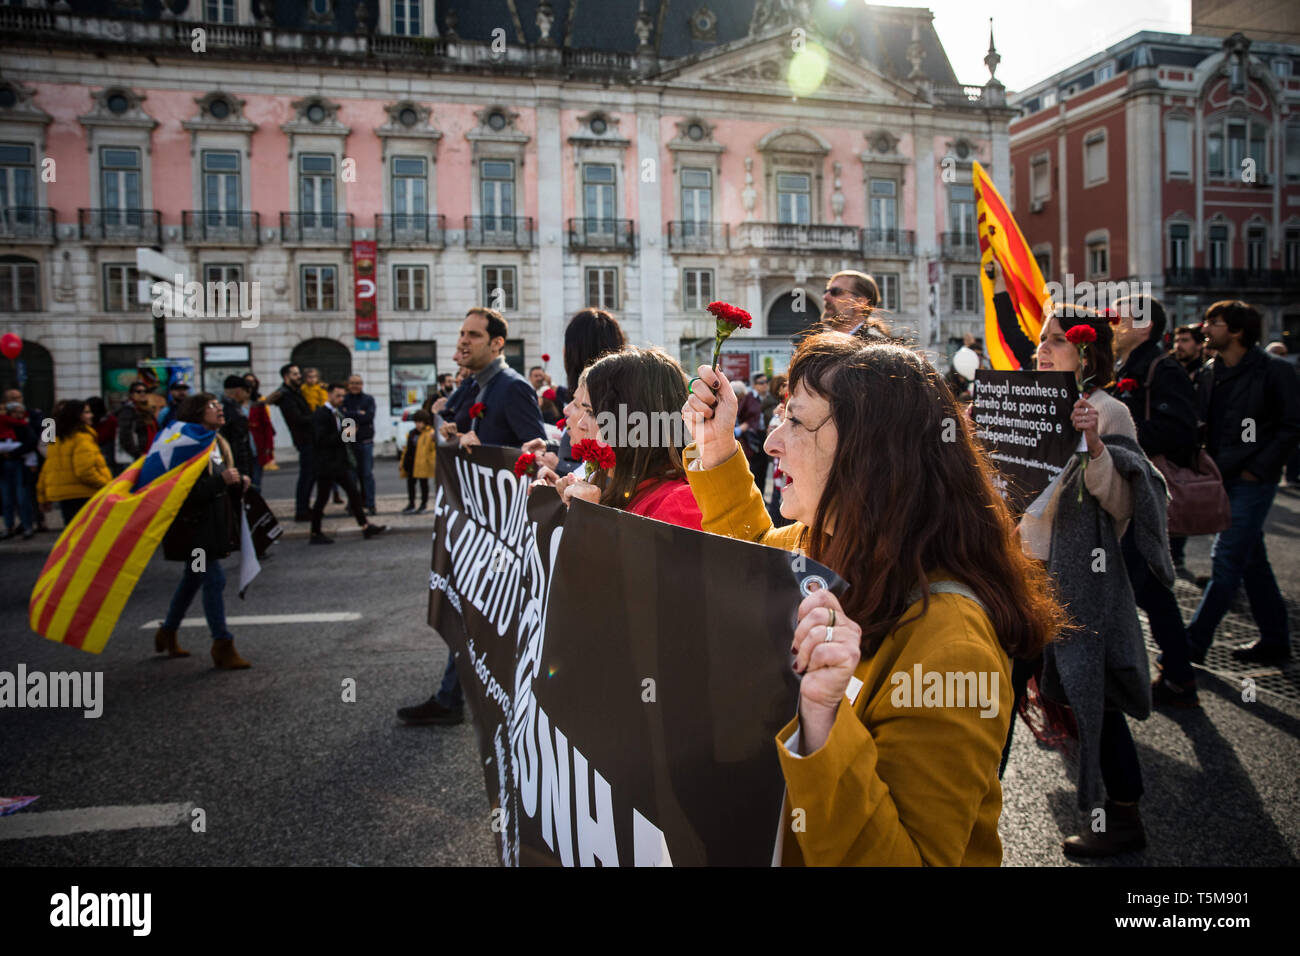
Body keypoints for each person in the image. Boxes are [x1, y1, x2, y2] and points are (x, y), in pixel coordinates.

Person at [680, 332, 1061, 865]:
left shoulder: (954, 650)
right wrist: (718, 450)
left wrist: (824, 721)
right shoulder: (825, 541)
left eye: (797, 420)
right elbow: (755, 568)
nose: (770, 442)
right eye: (781, 416)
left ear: (870, 452)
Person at [1018, 303, 1171, 857]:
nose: (1043, 348)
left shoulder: (1108, 410)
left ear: (1087, 352)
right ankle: (969, 799)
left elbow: (1129, 499)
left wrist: (1097, 448)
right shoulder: (1031, 405)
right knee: (1007, 680)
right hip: (1023, 571)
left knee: (1093, 695)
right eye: (1041, 339)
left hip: (1079, 577)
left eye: (1056, 340)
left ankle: (1124, 816)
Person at [399, 307, 545, 727]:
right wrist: (451, 427)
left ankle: (493, 701)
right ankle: (455, 697)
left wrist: (484, 451)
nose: (463, 341)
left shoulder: (512, 388)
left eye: (474, 335)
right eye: (461, 333)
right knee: (473, 610)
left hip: (501, 525)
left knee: (484, 612)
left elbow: (534, 453)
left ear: (498, 343)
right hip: (475, 520)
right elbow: (444, 416)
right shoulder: (472, 385)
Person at [1188, 301, 1300, 665]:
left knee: (1227, 559)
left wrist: (1260, 468)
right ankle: (1276, 640)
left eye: (1214, 323)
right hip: (1221, 476)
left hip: (1252, 480)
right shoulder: (1208, 372)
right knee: (1253, 560)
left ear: (1236, 331)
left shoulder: (1274, 371)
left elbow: (1290, 425)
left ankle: (1193, 644)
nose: (1205, 328)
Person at [1110, 294, 1202, 707]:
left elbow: (1181, 431)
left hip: (1145, 494)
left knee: (1119, 586)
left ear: (1145, 325)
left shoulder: (1161, 369)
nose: (1113, 322)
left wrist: (1118, 436)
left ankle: (1111, 683)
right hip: (1127, 491)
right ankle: (1179, 676)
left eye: (1121, 317)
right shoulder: (1127, 367)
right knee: (1151, 591)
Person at [534, 347, 703, 530]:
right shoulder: (623, 488)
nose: (581, 423)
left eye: (591, 412)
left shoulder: (678, 505)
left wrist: (589, 516)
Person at [155, 392, 250, 668]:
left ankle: (168, 631)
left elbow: (220, 478)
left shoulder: (216, 442)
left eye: (219, 404)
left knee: (193, 579)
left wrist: (237, 481)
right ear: (197, 413)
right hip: (193, 530)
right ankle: (222, 644)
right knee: (213, 580)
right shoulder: (187, 445)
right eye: (212, 406)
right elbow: (181, 492)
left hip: (210, 525)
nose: (219, 408)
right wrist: (221, 481)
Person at [308, 383, 387, 545]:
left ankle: (365, 526)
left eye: (342, 396)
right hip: (326, 464)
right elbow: (321, 440)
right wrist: (344, 433)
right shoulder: (321, 414)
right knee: (322, 499)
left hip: (341, 463)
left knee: (354, 494)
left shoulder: (341, 413)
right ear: (329, 395)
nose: (341, 399)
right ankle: (315, 532)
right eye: (338, 396)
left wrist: (349, 433)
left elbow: (346, 440)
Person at [36, 399, 113, 525]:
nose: (91, 415)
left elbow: (48, 467)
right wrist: (106, 485)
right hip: (84, 493)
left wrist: (42, 495)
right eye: (87, 412)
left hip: (66, 494)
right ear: (77, 416)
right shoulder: (81, 438)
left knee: (73, 535)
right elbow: (85, 472)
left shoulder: (58, 438)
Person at [272, 363, 315, 521]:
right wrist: (317, 417)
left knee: (312, 476)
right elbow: (297, 419)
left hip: (310, 439)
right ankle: (302, 510)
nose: (299, 377)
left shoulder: (296, 392)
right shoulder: (287, 395)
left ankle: (306, 508)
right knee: (308, 476)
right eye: (295, 374)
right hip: (305, 439)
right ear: (286, 377)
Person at [341, 373, 378, 515]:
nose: (355, 386)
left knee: (367, 474)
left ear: (362, 385)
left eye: (358, 383)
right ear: (348, 385)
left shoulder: (368, 399)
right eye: (352, 383)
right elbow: (342, 416)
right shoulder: (344, 399)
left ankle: (370, 504)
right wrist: (358, 413)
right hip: (349, 439)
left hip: (365, 440)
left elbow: (369, 416)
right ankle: (354, 504)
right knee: (351, 476)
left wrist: (351, 415)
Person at [0, 398, 36, 539]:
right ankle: (9, 526)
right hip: (5, 466)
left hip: (20, 464)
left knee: (22, 498)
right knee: (6, 498)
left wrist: (13, 453)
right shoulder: (7, 424)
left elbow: (32, 443)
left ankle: (27, 526)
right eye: (15, 412)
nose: (18, 414)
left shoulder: (25, 426)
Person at [819, 270, 890, 340]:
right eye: (826, 291)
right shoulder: (824, 341)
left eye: (835, 292)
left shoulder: (874, 345)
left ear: (860, 302)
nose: (825, 297)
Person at [220, 375, 256, 483]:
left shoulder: (221, 408)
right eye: (246, 391)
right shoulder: (234, 413)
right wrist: (244, 472)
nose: (247, 395)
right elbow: (240, 445)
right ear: (238, 391)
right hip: (235, 466)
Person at [399, 409, 436, 513]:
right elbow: (406, 449)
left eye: (420, 422)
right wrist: (402, 462)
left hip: (423, 464)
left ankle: (423, 504)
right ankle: (411, 503)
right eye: (416, 422)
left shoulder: (430, 433)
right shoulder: (412, 433)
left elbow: (433, 450)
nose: (418, 425)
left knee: (423, 485)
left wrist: (431, 462)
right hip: (411, 463)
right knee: (410, 484)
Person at [115, 380, 158, 463]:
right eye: (138, 391)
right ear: (132, 394)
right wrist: (137, 454)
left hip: (150, 454)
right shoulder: (128, 411)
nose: (143, 394)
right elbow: (125, 435)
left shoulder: (148, 411)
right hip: (137, 457)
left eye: (145, 391)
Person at [244, 373, 275, 484]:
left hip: (257, 446)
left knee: (256, 481)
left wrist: (269, 446)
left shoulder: (258, 404)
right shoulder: (235, 407)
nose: (250, 386)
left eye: (252, 382)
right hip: (243, 450)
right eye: (247, 382)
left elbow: (267, 426)